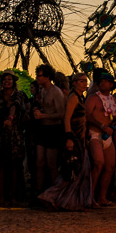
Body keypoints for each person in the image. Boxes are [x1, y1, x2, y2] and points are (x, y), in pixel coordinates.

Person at [39, 72, 93, 211]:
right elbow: (67, 118)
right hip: (74, 137)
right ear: (74, 83)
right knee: (72, 170)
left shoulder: (80, 97)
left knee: (81, 170)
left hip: (80, 138)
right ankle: (50, 196)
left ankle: (72, 201)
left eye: (85, 81)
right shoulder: (73, 98)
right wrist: (69, 137)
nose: (84, 83)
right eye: (81, 81)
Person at [0, 71, 27, 207]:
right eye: (5, 79)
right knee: (1, 165)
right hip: (0, 132)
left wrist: (10, 118)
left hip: (15, 133)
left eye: (9, 79)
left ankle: (13, 196)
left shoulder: (19, 95)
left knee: (14, 166)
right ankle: (1, 196)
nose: (7, 81)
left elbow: (15, 106)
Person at [86, 72, 116, 206]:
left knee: (110, 167)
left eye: (105, 81)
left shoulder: (112, 99)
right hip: (95, 135)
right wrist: (101, 126)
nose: (102, 83)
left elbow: (114, 117)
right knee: (98, 164)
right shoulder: (93, 98)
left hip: (108, 136)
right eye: (101, 81)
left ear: (111, 85)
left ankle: (102, 197)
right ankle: (90, 197)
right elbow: (87, 116)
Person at [32, 64, 65, 194]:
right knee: (39, 162)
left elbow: (61, 114)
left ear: (47, 77)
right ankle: (39, 192)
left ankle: (54, 193)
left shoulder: (56, 92)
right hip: (42, 129)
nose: (37, 78)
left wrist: (43, 115)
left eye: (39, 76)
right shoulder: (42, 90)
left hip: (53, 129)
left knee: (51, 163)